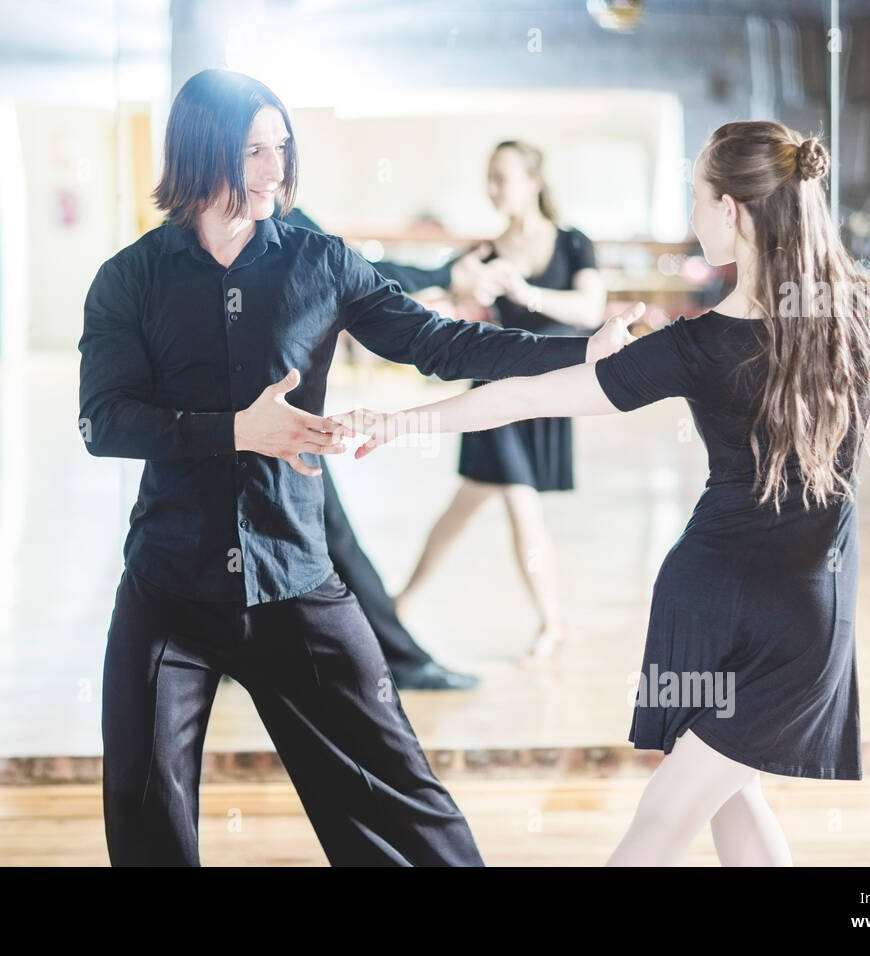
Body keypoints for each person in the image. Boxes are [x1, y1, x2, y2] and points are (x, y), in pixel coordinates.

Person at [332, 121, 870, 866]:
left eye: (697, 199)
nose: (693, 217)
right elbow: (520, 398)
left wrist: (395, 422)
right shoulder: (860, 317)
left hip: (726, 601)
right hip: (794, 603)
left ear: (733, 212)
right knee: (729, 797)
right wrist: (391, 423)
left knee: (666, 817)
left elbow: (520, 398)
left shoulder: (700, 343)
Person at [78, 69, 620, 866]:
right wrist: (235, 430)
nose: (274, 170)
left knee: (403, 803)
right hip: (168, 592)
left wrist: (581, 351)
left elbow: (443, 345)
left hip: (296, 578)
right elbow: (104, 421)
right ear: (199, 157)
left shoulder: (319, 263)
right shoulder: (129, 278)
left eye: (281, 148)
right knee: (146, 818)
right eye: (252, 151)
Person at [392, 141, 606, 662]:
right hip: (496, 391)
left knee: (463, 507)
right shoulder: (484, 253)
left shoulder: (573, 243)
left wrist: (526, 291)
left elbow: (589, 309)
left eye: (502, 177)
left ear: (533, 180)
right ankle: (552, 622)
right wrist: (455, 289)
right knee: (518, 500)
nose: (493, 188)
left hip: (550, 388)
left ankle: (398, 605)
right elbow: (426, 296)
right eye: (489, 178)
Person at [279, 206, 479, 691]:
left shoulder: (283, 219)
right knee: (332, 543)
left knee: (324, 539)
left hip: (283, 425)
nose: (272, 166)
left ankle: (397, 658)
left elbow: (355, 274)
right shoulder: (190, 237)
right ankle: (400, 661)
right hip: (248, 431)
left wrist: (441, 274)